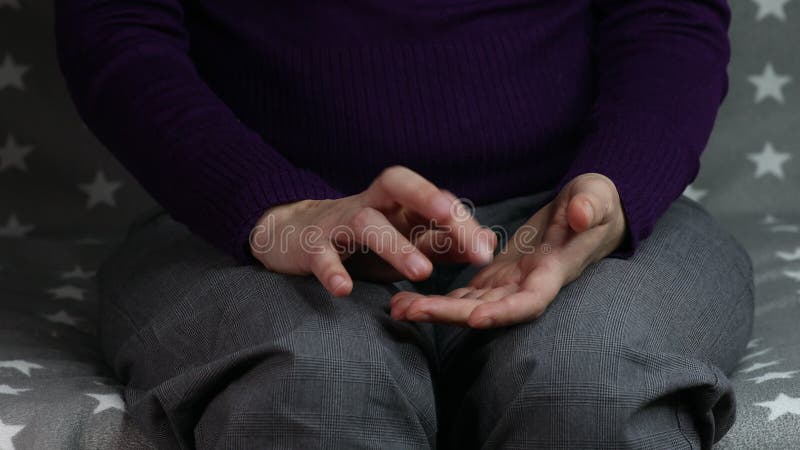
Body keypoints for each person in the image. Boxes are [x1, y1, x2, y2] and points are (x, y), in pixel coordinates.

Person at [55, 0, 754, 448]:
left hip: (573, 207)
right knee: (317, 385)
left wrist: (610, 189)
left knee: (593, 380)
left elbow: (668, 14)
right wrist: (273, 207)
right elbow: (115, 25)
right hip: (239, 224)